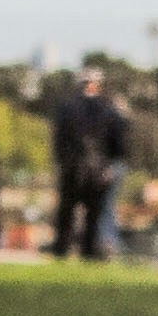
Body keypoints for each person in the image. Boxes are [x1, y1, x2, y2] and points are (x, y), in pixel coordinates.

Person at [52, 68, 130, 260]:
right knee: (93, 214)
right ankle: (89, 250)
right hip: (99, 168)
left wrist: (63, 162)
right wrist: (111, 165)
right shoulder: (109, 111)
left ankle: (62, 248)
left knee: (67, 211)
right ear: (98, 86)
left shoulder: (67, 109)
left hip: (72, 167)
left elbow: (59, 141)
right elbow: (119, 142)